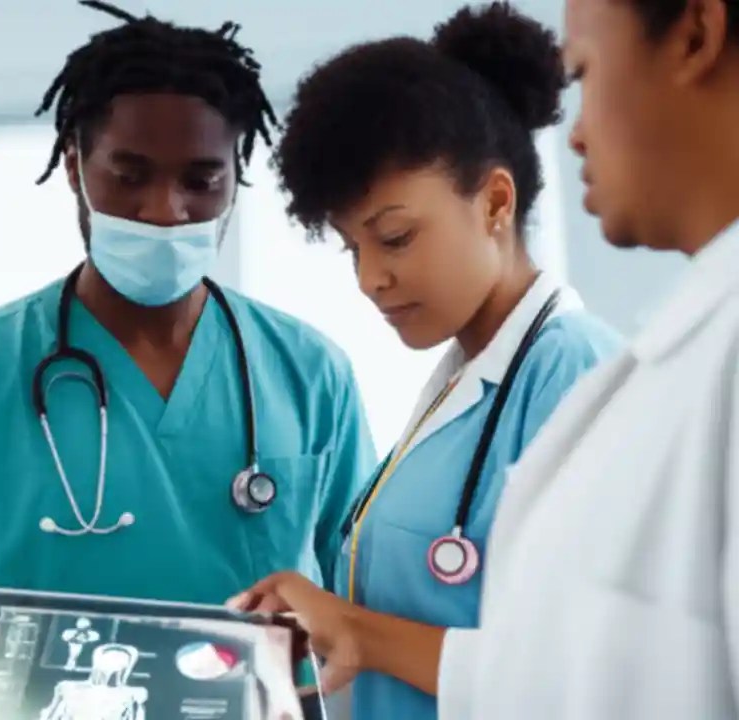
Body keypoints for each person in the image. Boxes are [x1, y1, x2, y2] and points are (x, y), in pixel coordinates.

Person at [0, 0, 375, 615]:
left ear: (237, 177)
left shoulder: (309, 371)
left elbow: (359, 608)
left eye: (200, 180)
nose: (164, 210)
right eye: (131, 176)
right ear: (75, 167)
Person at [227, 5, 622, 719]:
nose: (369, 278)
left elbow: (588, 667)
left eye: (397, 237)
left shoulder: (575, 373)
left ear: (496, 202)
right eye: (353, 247)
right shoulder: (459, 386)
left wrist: (359, 632)